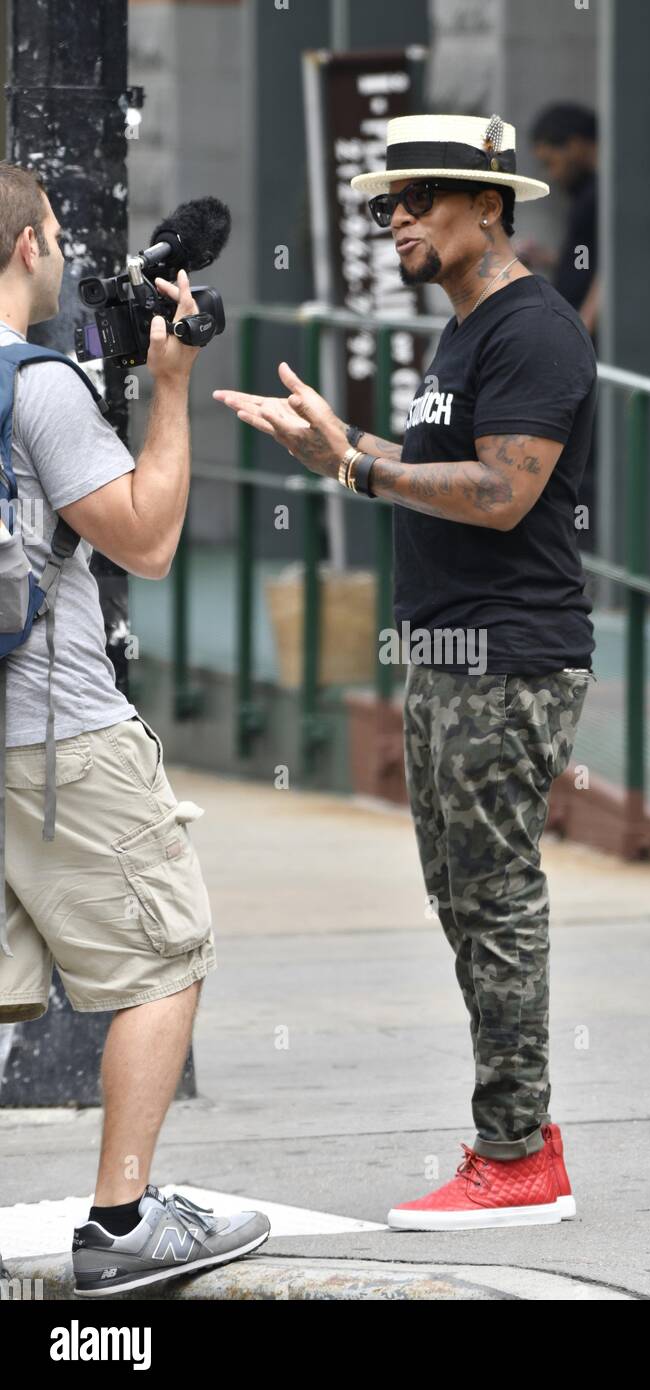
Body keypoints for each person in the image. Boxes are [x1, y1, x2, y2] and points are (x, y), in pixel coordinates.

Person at [215, 113, 598, 1231]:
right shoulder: (464, 331)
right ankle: (525, 1129)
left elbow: (502, 491)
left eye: (419, 199)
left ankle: (515, 1157)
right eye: (385, 204)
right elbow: (438, 466)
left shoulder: (530, 329)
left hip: (506, 656)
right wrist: (342, 452)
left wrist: (366, 476)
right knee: (461, 897)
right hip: (448, 656)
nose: (395, 222)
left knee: (495, 900)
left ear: (489, 205)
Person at [0, 162, 269, 1295]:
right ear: (25, 246)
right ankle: (121, 1222)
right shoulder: (38, 386)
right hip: (58, 735)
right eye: (55, 232)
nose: (63, 252)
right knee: (166, 952)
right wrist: (170, 385)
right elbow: (147, 539)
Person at [529, 103, 599, 335]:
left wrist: (583, 328)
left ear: (575, 146)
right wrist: (551, 259)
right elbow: (588, 261)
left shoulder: (600, 194)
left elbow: (611, 266)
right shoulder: (584, 193)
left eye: (551, 162)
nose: (551, 175)